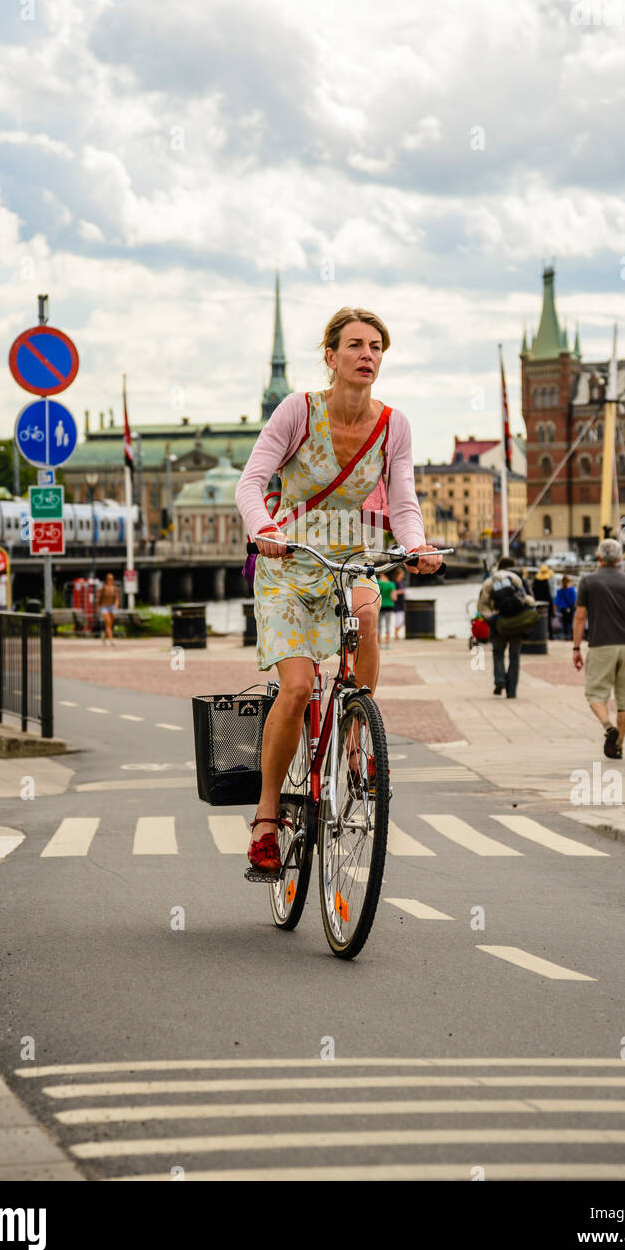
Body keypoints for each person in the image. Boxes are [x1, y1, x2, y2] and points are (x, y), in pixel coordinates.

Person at [234, 306, 441, 877]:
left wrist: (416, 545)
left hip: (351, 554)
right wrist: (264, 531)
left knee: (368, 615)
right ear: (330, 356)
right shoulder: (298, 411)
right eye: (354, 345)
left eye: (376, 345)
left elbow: (402, 501)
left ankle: (357, 730)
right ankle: (268, 819)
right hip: (291, 557)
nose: (367, 354)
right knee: (298, 687)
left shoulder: (393, 424)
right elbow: (252, 483)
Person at [572, 538, 625, 759]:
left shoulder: (587, 582)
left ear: (598, 557)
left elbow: (580, 616)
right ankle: (619, 744)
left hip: (601, 645)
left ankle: (608, 726)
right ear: (620, 558)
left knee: (595, 693)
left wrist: (576, 648)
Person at [477, 555, 536, 699]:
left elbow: (482, 604)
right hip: (516, 622)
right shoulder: (517, 579)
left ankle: (500, 680)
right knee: (514, 656)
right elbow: (528, 599)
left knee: (498, 653)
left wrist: (492, 618)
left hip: (498, 624)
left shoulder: (490, 582)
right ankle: (512, 690)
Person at [532, 562, 556, 637]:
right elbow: (550, 594)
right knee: (548, 620)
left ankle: (539, 634)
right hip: (547, 602)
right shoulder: (546, 581)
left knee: (538, 619)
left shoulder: (536, 581)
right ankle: (550, 635)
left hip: (538, 602)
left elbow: (533, 592)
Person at [97, 572, 119, 645]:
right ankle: (111, 640)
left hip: (111, 607)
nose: (110, 580)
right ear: (106, 580)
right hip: (103, 607)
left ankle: (104, 638)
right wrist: (97, 607)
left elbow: (117, 598)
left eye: (112, 579)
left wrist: (116, 604)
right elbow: (99, 598)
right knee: (108, 622)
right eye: (109, 579)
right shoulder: (103, 588)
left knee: (110, 624)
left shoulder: (115, 588)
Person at [554, 574, 577, 640]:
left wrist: (554, 610)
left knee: (563, 623)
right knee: (570, 622)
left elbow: (556, 601)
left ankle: (564, 635)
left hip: (562, 608)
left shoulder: (559, 591)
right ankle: (570, 635)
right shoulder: (572, 590)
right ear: (568, 582)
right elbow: (574, 600)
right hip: (570, 608)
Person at [378, 572, 397, 646]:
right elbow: (394, 598)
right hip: (389, 606)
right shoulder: (391, 584)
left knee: (378, 625)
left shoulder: (377, 583)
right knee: (388, 624)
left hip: (379, 606)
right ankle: (387, 643)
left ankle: (378, 643)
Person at [392, 569, 407, 639]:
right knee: (398, 619)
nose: (403, 575)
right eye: (402, 574)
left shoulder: (403, 582)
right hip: (396, 603)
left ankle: (396, 632)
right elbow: (393, 592)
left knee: (404, 620)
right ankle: (396, 633)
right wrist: (402, 591)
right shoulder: (394, 583)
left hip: (402, 602)